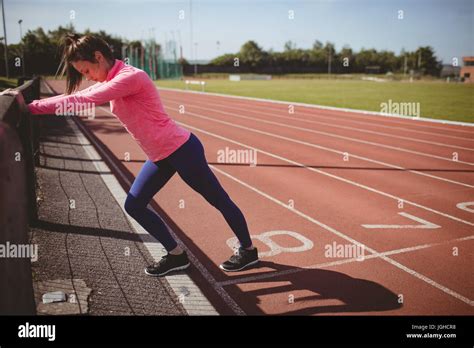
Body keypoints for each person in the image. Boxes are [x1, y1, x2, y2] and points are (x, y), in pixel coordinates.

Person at [24, 34, 259, 276]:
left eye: (86, 70)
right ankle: (176, 255)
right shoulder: (112, 79)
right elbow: (71, 97)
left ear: (98, 57)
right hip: (159, 156)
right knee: (134, 205)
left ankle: (248, 250)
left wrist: (30, 107)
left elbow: (82, 99)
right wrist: (28, 103)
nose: (87, 77)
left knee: (218, 199)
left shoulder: (130, 77)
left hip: (181, 149)